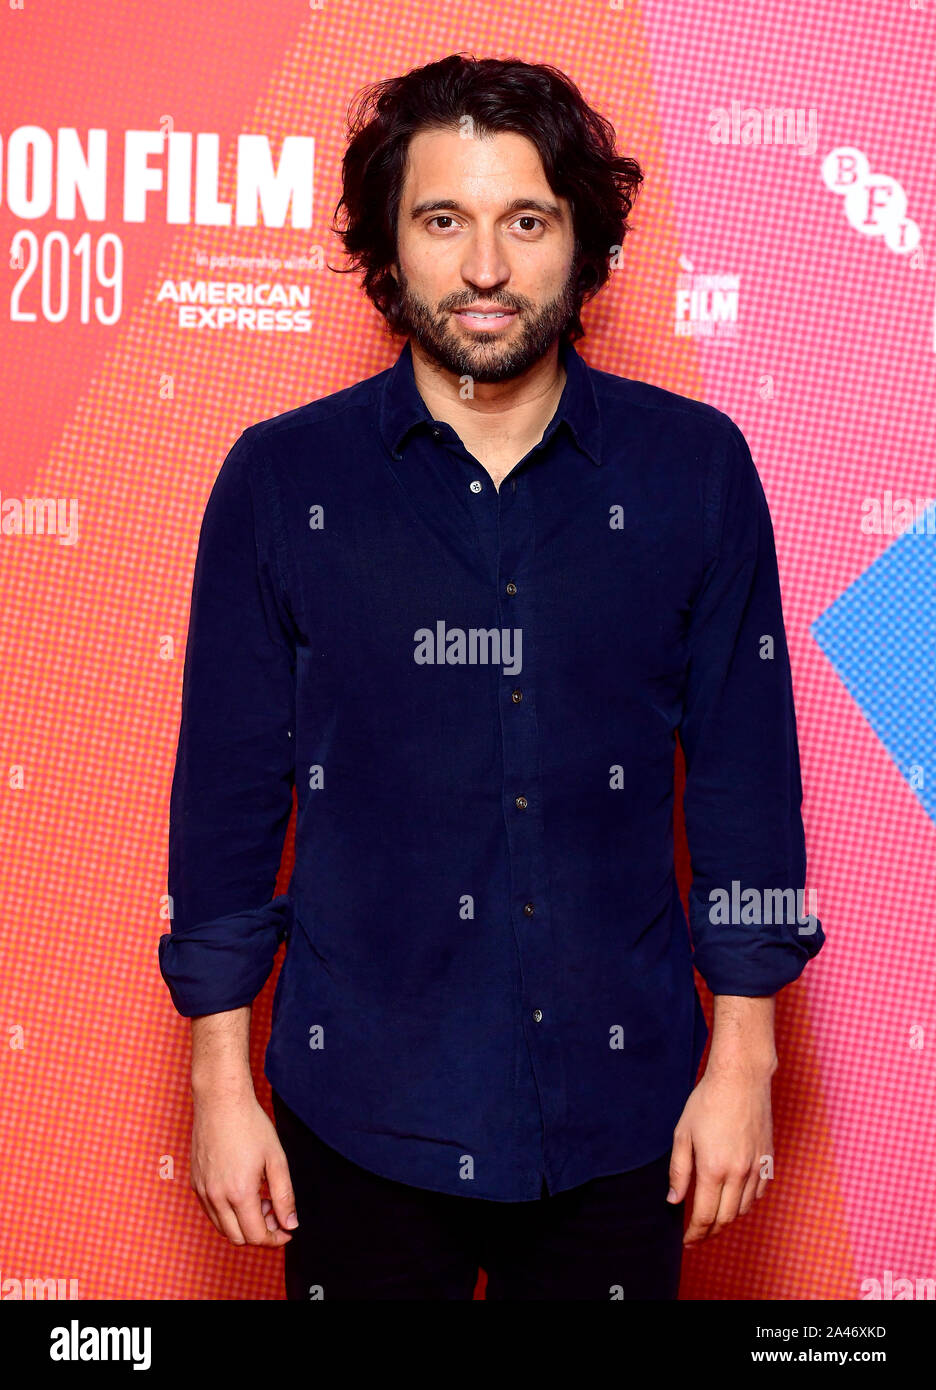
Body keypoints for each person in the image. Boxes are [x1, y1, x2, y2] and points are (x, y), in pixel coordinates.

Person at [158, 53, 825, 1301]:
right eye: (442, 219)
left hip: (626, 1128)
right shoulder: (281, 482)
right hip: (353, 1122)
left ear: (584, 237)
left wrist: (745, 1063)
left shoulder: (695, 471)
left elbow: (746, 787)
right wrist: (218, 1085)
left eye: (526, 219)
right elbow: (229, 805)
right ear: (387, 243)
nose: (483, 268)